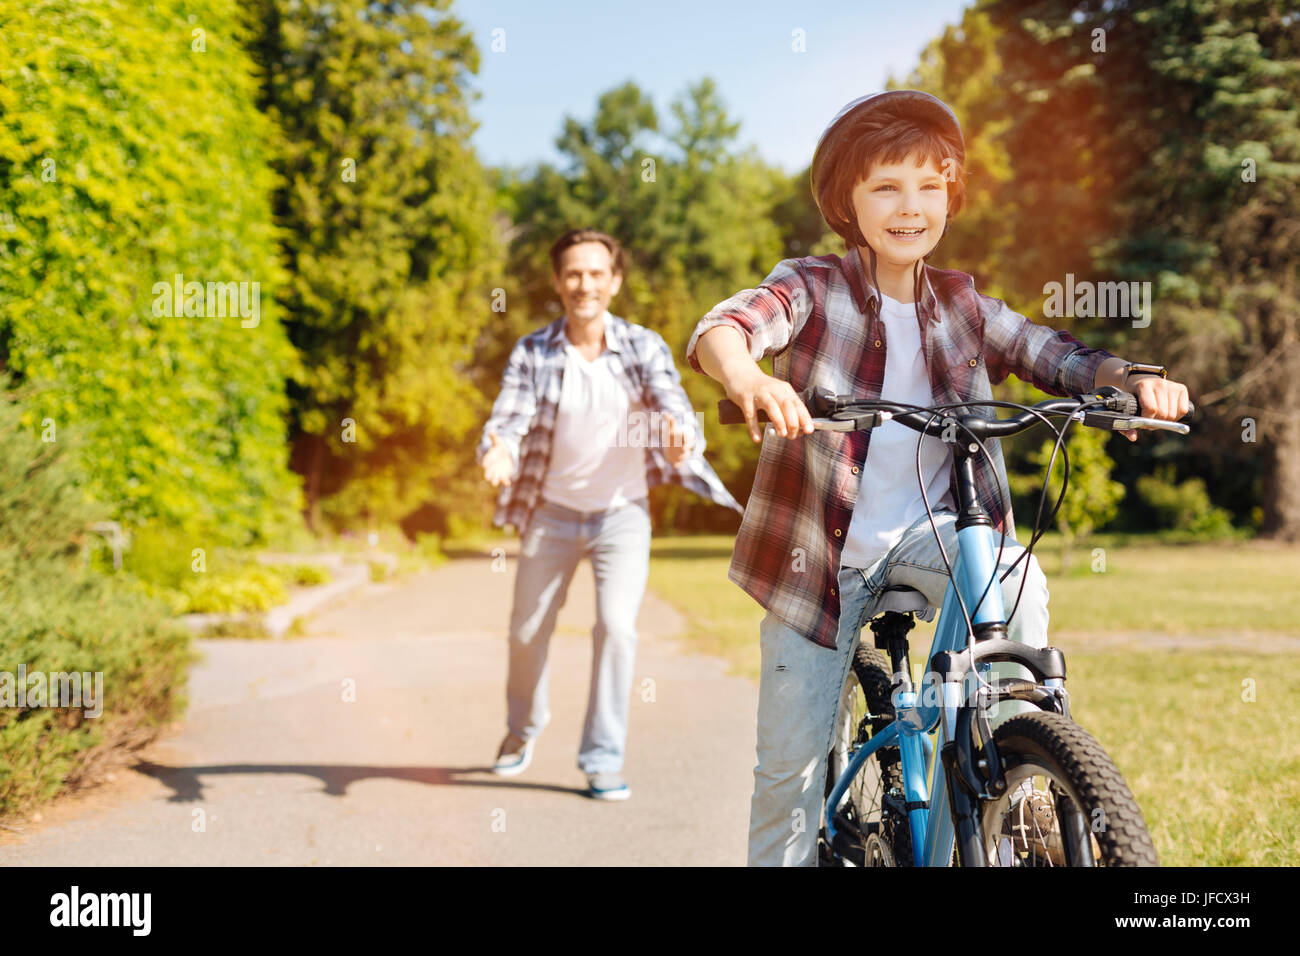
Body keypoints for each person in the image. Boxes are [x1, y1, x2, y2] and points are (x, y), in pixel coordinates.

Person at [685, 91, 1191, 864]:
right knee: (788, 773)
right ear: (848, 203)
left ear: (950, 199)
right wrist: (748, 380)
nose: (909, 207)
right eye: (886, 187)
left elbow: (1053, 353)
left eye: (929, 187)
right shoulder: (813, 286)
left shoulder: (962, 302)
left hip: (935, 532)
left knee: (1016, 582)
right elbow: (727, 326)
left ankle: (1011, 778)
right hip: (820, 561)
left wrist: (1130, 381)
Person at [477, 228, 743, 801]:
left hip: (621, 515)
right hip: (551, 513)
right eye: (573, 273)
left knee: (617, 629)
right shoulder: (534, 350)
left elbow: (671, 401)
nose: (584, 284)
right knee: (526, 631)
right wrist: (498, 446)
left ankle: (602, 758)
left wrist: (678, 435)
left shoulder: (641, 345)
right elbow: (510, 418)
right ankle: (522, 729)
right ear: (557, 281)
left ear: (614, 281)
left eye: (596, 273)